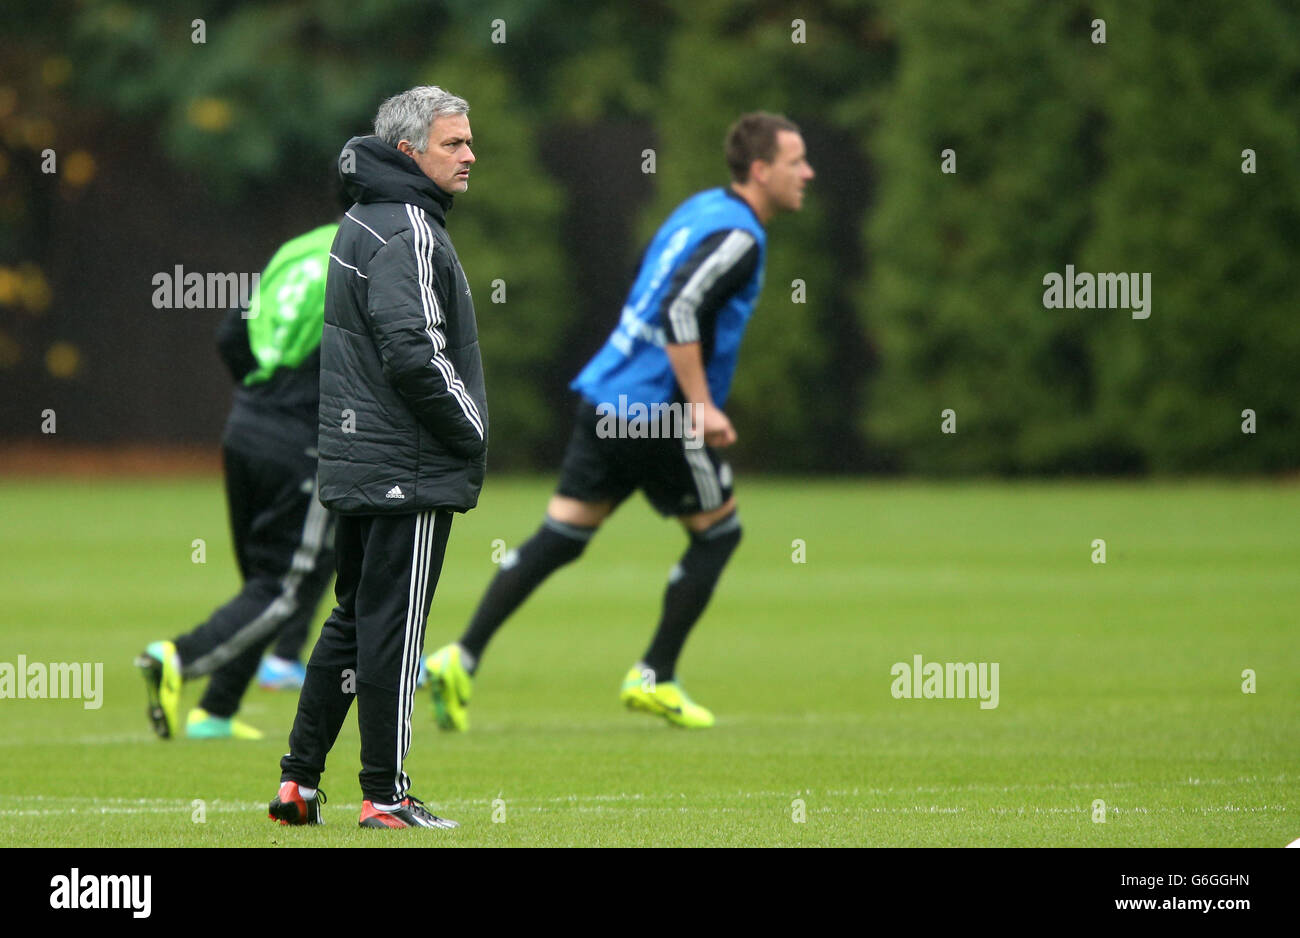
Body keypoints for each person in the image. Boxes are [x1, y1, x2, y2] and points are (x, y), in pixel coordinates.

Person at [424, 111, 814, 731]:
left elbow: (645, 273)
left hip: (608, 394)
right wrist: (702, 405)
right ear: (762, 170)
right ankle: (655, 674)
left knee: (563, 535)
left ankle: (459, 656)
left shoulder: (700, 208)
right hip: (656, 410)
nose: (807, 173)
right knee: (719, 532)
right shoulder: (740, 235)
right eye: (796, 162)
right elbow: (681, 309)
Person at [267, 85, 487, 830]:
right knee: (393, 634)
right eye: (453, 143)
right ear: (409, 152)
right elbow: (413, 352)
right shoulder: (410, 229)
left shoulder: (361, 218)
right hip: (409, 467)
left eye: (467, 141)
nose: (469, 155)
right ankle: (385, 796)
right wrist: (471, 427)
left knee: (354, 624)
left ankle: (298, 785)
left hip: (362, 463)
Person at [135, 192, 347, 740]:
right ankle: (175, 659)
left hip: (247, 428)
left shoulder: (297, 250)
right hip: (301, 441)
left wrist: (263, 400)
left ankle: (218, 712)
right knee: (284, 587)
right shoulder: (365, 255)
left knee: (269, 581)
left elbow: (232, 333)